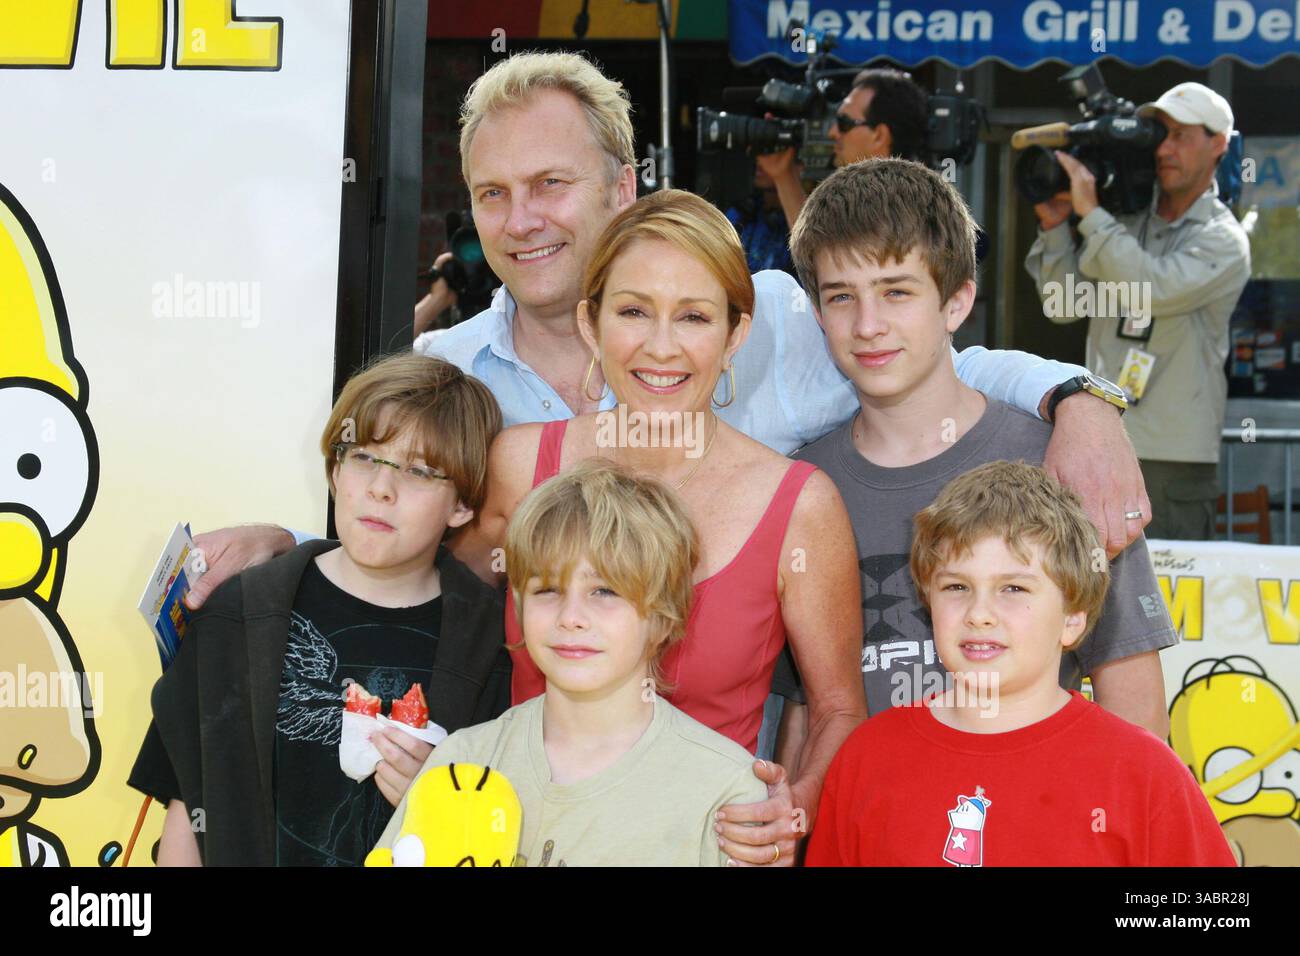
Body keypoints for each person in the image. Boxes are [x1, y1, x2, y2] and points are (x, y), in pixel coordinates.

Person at [188, 51, 1152, 608]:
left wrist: (1084, 403)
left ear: (623, 185)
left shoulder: (768, 318)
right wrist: (288, 548)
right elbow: (387, 547)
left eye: (551, 186)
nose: (521, 220)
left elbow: (940, 359)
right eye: (493, 194)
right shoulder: (445, 379)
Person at [457, 188, 866, 865]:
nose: (662, 347)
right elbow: (428, 606)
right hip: (520, 841)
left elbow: (837, 709)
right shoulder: (522, 464)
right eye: (633, 311)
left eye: (695, 317)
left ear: (737, 334)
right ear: (591, 324)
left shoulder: (798, 506)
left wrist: (794, 808)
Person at [772, 159, 1174, 777]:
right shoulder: (798, 486)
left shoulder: (1065, 465)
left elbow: (1132, 702)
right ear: (818, 313)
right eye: (842, 297)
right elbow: (805, 715)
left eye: (897, 291)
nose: (868, 325)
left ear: (957, 301)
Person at [128, 355, 512, 865]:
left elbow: (501, 827)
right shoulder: (238, 613)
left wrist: (442, 803)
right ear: (335, 468)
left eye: (419, 471)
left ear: (462, 505)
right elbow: (188, 806)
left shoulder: (493, 643)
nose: (381, 488)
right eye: (366, 458)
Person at [805, 460, 1236, 867]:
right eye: (956, 586)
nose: (979, 613)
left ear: (1072, 618)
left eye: (1013, 589)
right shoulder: (868, 757)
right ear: (927, 601)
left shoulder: (1144, 774)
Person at [375, 459, 771, 866]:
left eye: (605, 591)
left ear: (662, 616)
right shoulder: (462, 761)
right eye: (547, 589)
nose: (571, 616)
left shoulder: (724, 792)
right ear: (519, 605)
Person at [1025, 82, 1251, 540]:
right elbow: (1062, 305)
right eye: (1160, 135)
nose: (1165, 149)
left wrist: (1092, 217)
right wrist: (1054, 227)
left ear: (1218, 145)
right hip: (1099, 443)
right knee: (1095, 603)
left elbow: (1149, 288)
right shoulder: (1121, 222)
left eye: (1182, 136)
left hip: (1172, 460)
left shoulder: (1224, 240)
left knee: (1171, 606)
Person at [757, 67, 928, 226]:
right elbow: (815, 247)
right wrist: (783, 175)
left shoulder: (898, 209)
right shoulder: (904, 198)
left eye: (843, 123)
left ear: (879, 135)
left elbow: (819, 253)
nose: (832, 132)